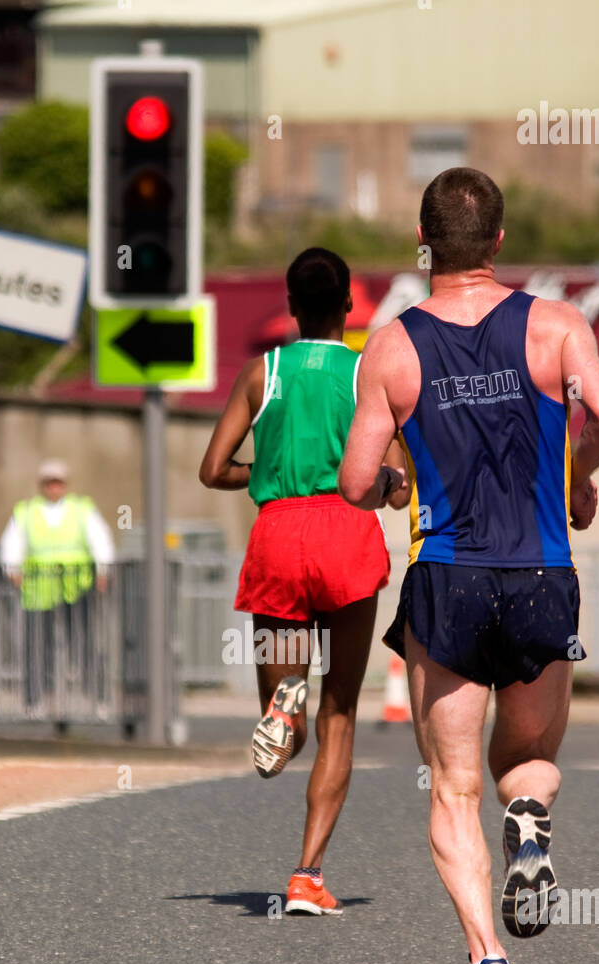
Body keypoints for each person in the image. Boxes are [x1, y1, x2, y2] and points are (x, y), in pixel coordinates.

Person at [339, 168, 599, 964]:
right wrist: (576, 476)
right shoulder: (556, 325)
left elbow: (355, 481)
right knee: (527, 758)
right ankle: (531, 815)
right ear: (500, 242)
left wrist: (395, 480)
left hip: (448, 582)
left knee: (455, 786)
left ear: (422, 246)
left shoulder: (391, 347)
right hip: (541, 573)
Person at [200, 247, 409, 915]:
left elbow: (213, 468)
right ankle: (307, 877)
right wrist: (384, 484)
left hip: (277, 538)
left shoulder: (260, 373)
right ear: (349, 307)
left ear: (290, 307)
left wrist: (262, 479)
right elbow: (397, 488)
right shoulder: (363, 372)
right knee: (340, 714)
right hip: (347, 535)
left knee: (282, 725)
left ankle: (280, 706)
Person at [0, 459, 115, 722]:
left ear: (65, 485)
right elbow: (12, 541)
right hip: (40, 588)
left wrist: (104, 570)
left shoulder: (82, 508)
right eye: (49, 483)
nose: (54, 488)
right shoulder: (26, 510)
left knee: (87, 644)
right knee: (37, 645)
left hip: (78, 586)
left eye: (58, 483)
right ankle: (35, 700)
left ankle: (97, 698)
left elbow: (100, 539)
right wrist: (12, 568)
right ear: (42, 485)